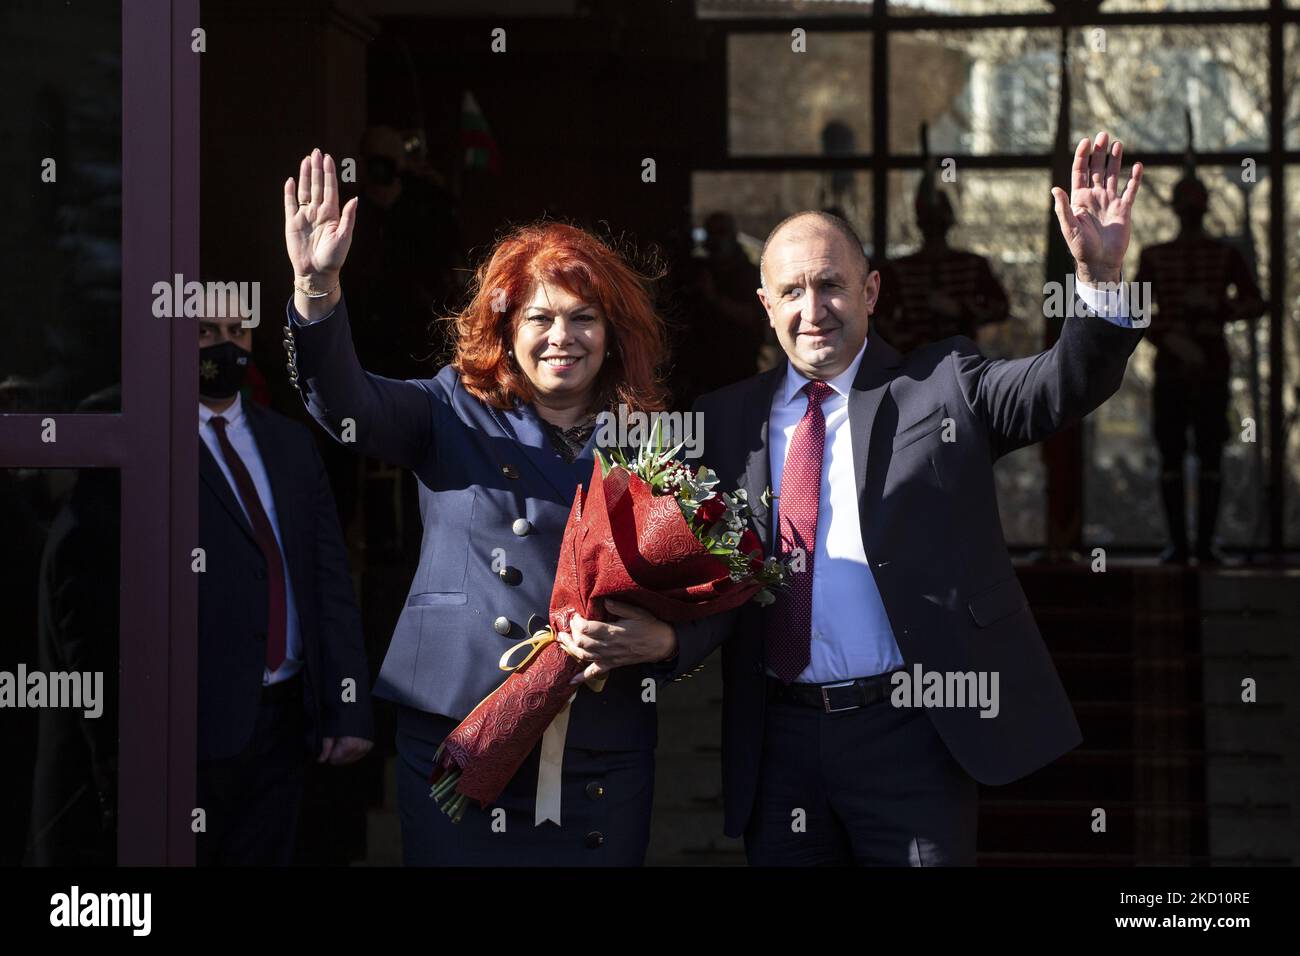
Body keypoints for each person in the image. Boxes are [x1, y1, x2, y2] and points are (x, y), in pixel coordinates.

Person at [626, 132, 1145, 865]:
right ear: (765, 305)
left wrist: (1099, 275)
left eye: (833, 285)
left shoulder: (945, 386)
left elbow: (1065, 382)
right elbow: (679, 556)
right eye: (793, 291)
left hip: (911, 736)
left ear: (870, 291)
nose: (815, 309)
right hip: (780, 745)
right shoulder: (720, 422)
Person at [280, 149, 709, 865]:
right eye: (540, 317)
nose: (562, 338)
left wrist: (669, 644)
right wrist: (316, 287)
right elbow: (344, 403)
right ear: (506, 327)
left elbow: (716, 587)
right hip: (463, 731)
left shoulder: (656, 439)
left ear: (614, 335)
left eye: (584, 318)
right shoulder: (450, 408)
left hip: (599, 749)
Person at [197, 293, 374, 865]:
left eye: (236, 330)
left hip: (285, 719)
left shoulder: (290, 443)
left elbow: (328, 578)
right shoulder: (152, 448)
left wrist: (347, 707)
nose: (223, 343)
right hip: (193, 723)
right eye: (204, 330)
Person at [1136, 143, 1265, 565]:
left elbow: (1256, 302)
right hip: (1174, 365)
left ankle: (1205, 544)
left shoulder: (1224, 254)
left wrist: (1216, 310)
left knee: (1210, 454)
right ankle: (1179, 543)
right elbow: (1136, 312)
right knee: (1171, 455)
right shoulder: (1156, 256)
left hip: (1210, 364)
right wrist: (1170, 338)